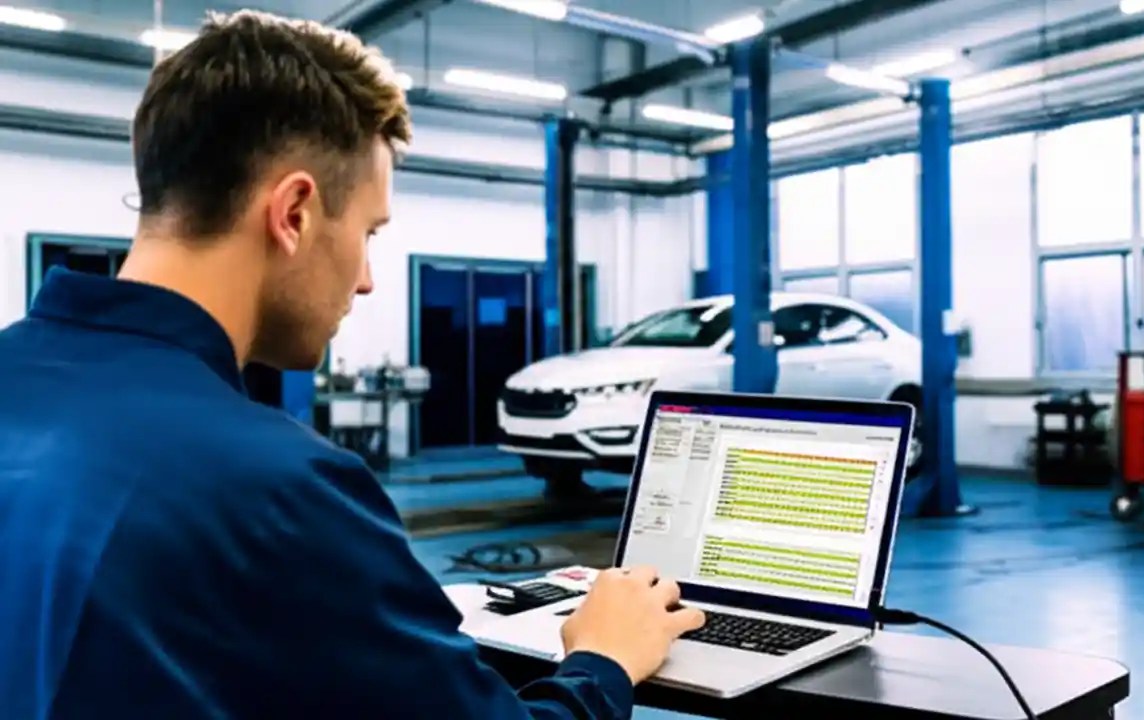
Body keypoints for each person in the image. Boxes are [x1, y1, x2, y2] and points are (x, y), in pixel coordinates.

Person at [0, 10, 703, 719]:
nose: (366, 278)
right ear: (295, 213)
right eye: (368, 233)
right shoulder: (278, 488)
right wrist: (604, 660)